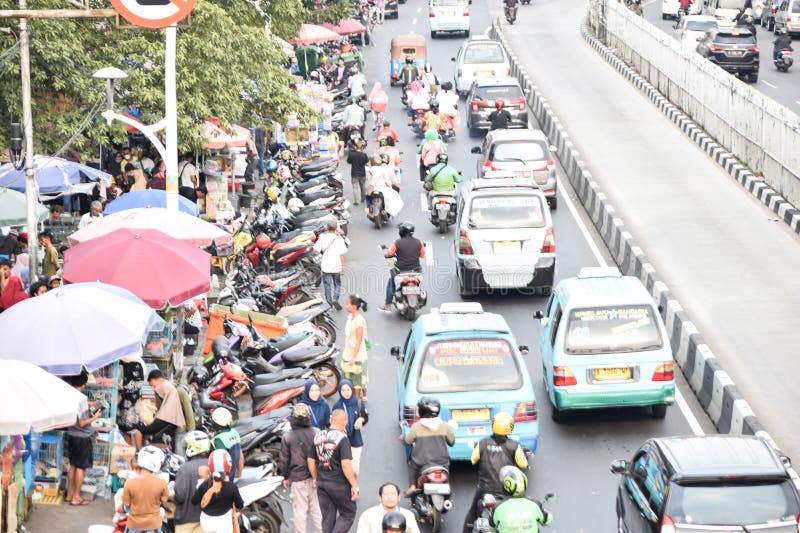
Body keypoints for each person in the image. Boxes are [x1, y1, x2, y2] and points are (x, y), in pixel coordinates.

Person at [462, 412, 529, 533]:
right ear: (510, 426)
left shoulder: (483, 443)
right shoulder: (514, 446)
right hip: (505, 490)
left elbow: (473, 459)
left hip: (484, 488)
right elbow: (523, 464)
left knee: (472, 513)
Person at [307, 409, 359, 533]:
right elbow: (345, 464)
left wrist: (315, 478)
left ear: (331, 420)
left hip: (322, 483)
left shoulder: (318, 435)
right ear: (344, 422)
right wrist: (354, 485)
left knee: (327, 517)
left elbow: (310, 460)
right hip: (338, 483)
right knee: (348, 513)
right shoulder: (342, 438)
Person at [280, 403, 323, 533]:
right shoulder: (317, 432)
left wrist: (285, 477)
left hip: (298, 480)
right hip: (316, 478)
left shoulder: (288, 436)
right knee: (317, 511)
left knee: (299, 513)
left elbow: (284, 459)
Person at [64, 370, 102, 506]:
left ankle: (69, 494)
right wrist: (95, 417)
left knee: (73, 465)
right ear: (84, 384)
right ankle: (76, 497)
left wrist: (90, 404)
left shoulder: (69, 395)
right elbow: (82, 422)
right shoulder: (81, 398)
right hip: (82, 437)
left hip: (72, 434)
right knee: (81, 467)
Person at [404, 397, 454, 496]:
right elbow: (451, 442)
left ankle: (413, 486)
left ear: (422, 411)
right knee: (446, 473)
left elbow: (407, 441)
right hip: (442, 463)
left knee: (411, 464)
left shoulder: (416, 427)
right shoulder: (444, 426)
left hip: (421, 464)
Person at [191, 449, 244, 533]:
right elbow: (240, 505)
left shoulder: (204, 485)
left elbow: (194, 501)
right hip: (223, 522)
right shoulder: (231, 487)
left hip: (206, 522)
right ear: (228, 465)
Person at [490, 467, 553, 533]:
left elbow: (491, 527)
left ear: (506, 486)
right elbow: (547, 521)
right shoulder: (535, 504)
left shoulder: (498, 507)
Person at [123, 446, 170, 533]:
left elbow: (126, 506)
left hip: (134, 526)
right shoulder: (161, 482)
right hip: (154, 526)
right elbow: (164, 500)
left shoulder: (129, 483)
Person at [381, 222, 425, 313]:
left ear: (402, 231)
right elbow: (422, 255)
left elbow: (390, 253)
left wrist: (388, 255)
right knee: (419, 282)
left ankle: (387, 305)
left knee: (391, 282)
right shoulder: (419, 242)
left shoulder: (397, 243)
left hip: (401, 271)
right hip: (416, 271)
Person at [174, 431, 212, 533]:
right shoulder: (214, 465)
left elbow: (180, 496)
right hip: (211, 521)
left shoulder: (184, 468)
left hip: (187, 522)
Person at [139, 369, 186, 446]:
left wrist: (138, 427)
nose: (153, 389)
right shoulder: (169, 397)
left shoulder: (168, 409)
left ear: (157, 380)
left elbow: (152, 428)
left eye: (154, 386)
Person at [332, 379, 368, 476]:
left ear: (352, 390)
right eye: (343, 390)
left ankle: (353, 485)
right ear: (339, 391)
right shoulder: (337, 406)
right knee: (344, 468)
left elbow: (365, 417)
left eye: (348, 389)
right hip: (341, 441)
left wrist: (361, 420)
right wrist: (339, 428)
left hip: (355, 440)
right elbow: (332, 423)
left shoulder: (358, 402)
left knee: (355, 469)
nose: (346, 393)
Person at [356, 483, 420, 533]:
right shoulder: (367, 515)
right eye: (386, 494)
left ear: (399, 498)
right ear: (380, 498)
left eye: (393, 494)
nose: (389, 497)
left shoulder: (408, 515)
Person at [314, 219, 348, 310]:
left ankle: (329, 304)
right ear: (336, 228)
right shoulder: (339, 238)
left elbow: (315, 250)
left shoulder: (322, 237)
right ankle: (335, 299)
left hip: (326, 266)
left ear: (327, 228)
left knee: (327, 285)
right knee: (337, 284)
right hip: (336, 266)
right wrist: (343, 266)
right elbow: (342, 254)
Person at [118, 358, 146, 450]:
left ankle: (139, 451)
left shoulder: (136, 365)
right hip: (121, 400)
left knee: (135, 427)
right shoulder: (119, 363)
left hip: (132, 401)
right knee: (124, 427)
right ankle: (129, 453)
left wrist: (124, 388)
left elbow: (139, 383)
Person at [210, 408, 244, 479]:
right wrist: (239, 473)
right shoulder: (234, 433)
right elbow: (240, 457)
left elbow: (221, 464)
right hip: (231, 476)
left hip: (224, 479)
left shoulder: (218, 440)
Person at [347, 141, 370, 205]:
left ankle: (356, 201)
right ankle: (363, 199)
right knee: (363, 187)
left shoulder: (352, 154)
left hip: (354, 173)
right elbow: (368, 164)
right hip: (362, 173)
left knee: (355, 187)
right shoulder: (364, 155)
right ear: (362, 147)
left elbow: (348, 162)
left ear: (355, 147)